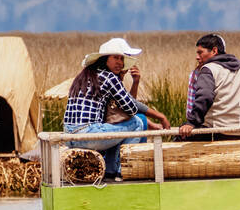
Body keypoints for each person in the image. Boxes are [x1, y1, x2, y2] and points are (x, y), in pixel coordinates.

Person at [64, 38, 168, 181]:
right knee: (137, 122)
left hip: (68, 136)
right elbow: (131, 109)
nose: (120, 62)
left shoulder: (84, 75)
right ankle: (120, 171)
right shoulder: (109, 77)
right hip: (88, 134)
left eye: (122, 59)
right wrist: (159, 117)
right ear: (105, 59)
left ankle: (110, 170)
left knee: (115, 127)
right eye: (116, 58)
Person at [179, 33, 240, 138]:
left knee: (179, 139)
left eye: (200, 52)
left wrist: (192, 122)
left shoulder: (209, 69)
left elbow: (205, 96)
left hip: (215, 133)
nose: (197, 57)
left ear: (214, 51)